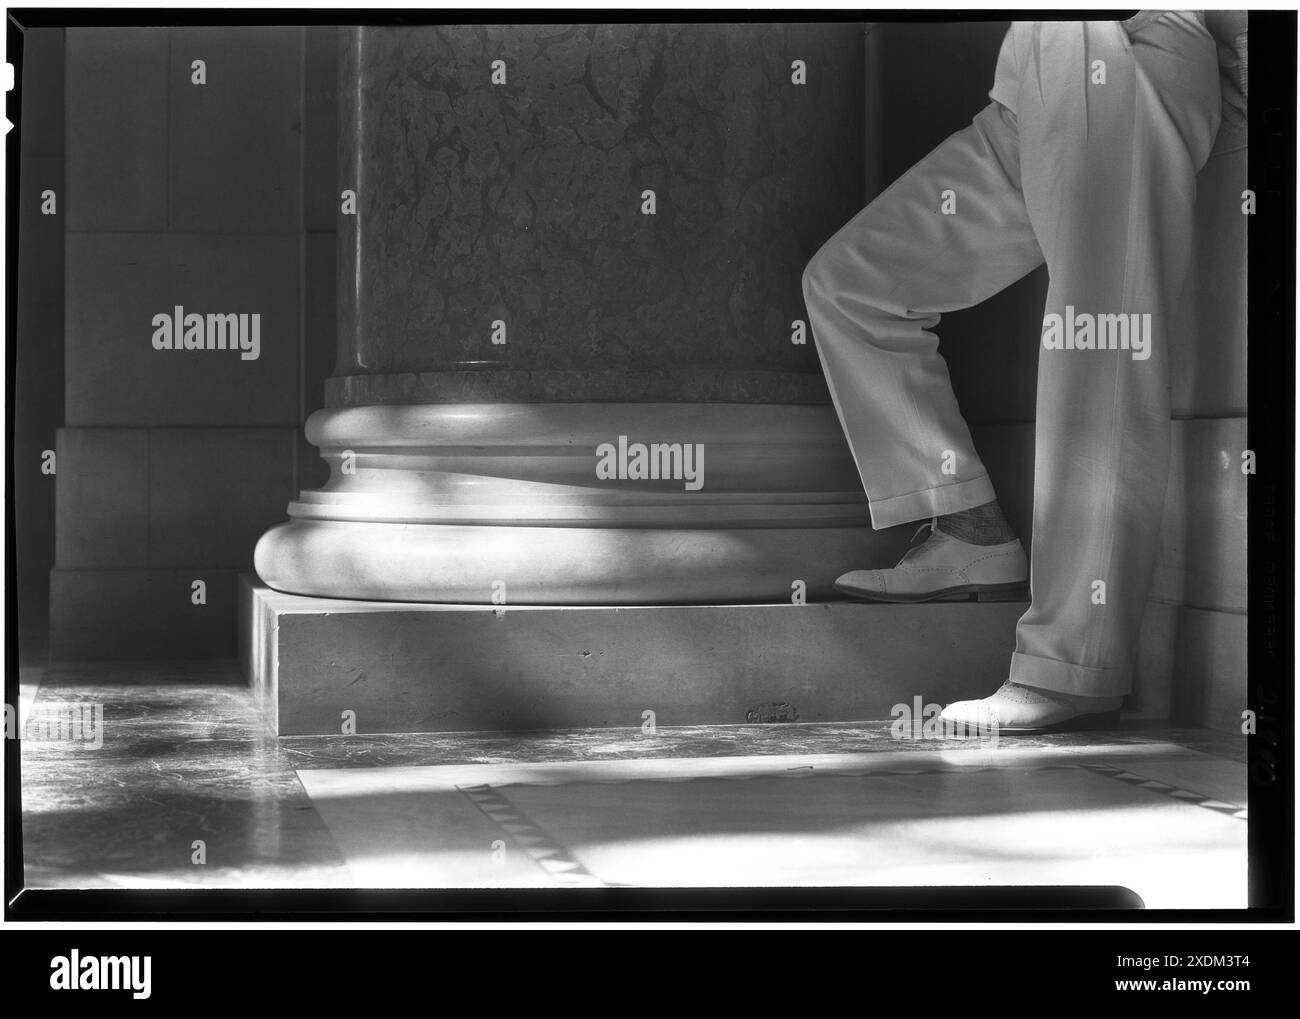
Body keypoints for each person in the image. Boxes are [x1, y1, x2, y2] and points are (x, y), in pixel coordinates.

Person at [802, 14, 1231, 734]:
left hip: (1122, 50)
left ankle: (1072, 664)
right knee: (849, 282)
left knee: (1098, 343)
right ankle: (971, 532)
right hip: (1033, 70)